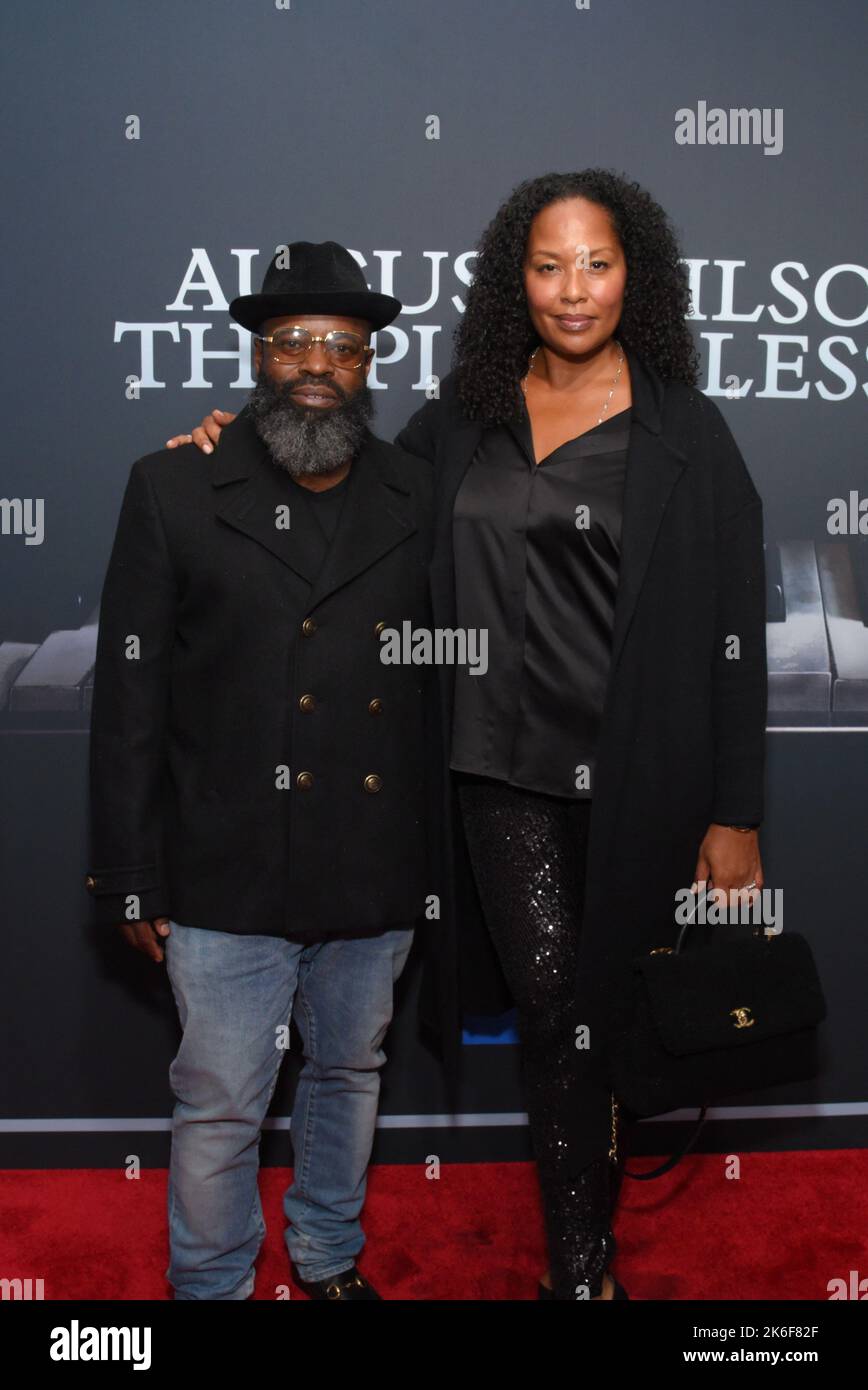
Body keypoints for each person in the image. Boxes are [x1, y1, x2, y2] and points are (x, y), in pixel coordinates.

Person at [169, 169, 768, 1301]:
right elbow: (330, 469)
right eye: (547, 265)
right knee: (553, 1003)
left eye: (595, 262)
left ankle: (580, 1263)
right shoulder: (460, 420)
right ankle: (582, 1275)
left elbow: (735, 630)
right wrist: (225, 446)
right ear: (514, 280)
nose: (573, 288)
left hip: (643, 778)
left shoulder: (686, 430)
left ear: (633, 273)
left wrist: (735, 813)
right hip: (498, 773)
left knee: (614, 1014)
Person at [86, 240, 436, 1300]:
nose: (317, 361)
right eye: (292, 341)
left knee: (348, 1075)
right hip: (221, 863)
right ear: (257, 353)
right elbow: (129, 704)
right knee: (223, 1101)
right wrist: (129, 873)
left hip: (370, 863)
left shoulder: (419, 491)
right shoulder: (172, 485)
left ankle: (328, 1256)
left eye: (342, 342)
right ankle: (211, 1283)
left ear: (371, 362)